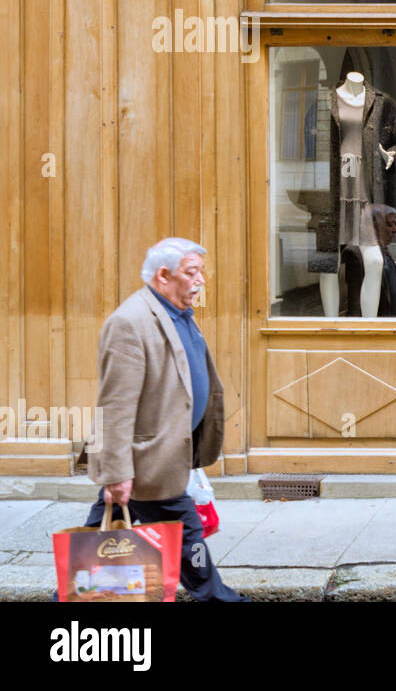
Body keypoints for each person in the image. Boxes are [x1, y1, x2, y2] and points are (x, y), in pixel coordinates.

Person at [81, 237, 248, 602]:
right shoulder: (130, 322)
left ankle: (73, 597)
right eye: (192, 272)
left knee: (99, 544)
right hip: (147, 464)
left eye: (201, 271)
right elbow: (115, 405)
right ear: (163, 274)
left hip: (165, 457)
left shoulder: (177, 314)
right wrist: (117, 473)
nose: (201, 280)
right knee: (191, 548)